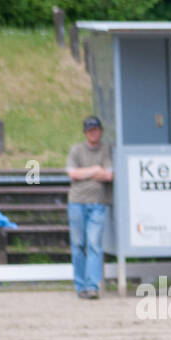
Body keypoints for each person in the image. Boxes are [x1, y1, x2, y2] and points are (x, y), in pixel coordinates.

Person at [65, 116, 113, 300]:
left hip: (98, 203)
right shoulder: (76, 150)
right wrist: (95, 170)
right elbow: (72, 174)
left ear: (100, 131)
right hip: (77, 202)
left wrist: (85, 173)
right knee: (78, 244)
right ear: (85, 133)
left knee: (94, 244)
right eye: (90, 130)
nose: (93, 133)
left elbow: (108, 175)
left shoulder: (106, 149)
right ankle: (80, 286)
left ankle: (93, 286)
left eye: (96, 129)